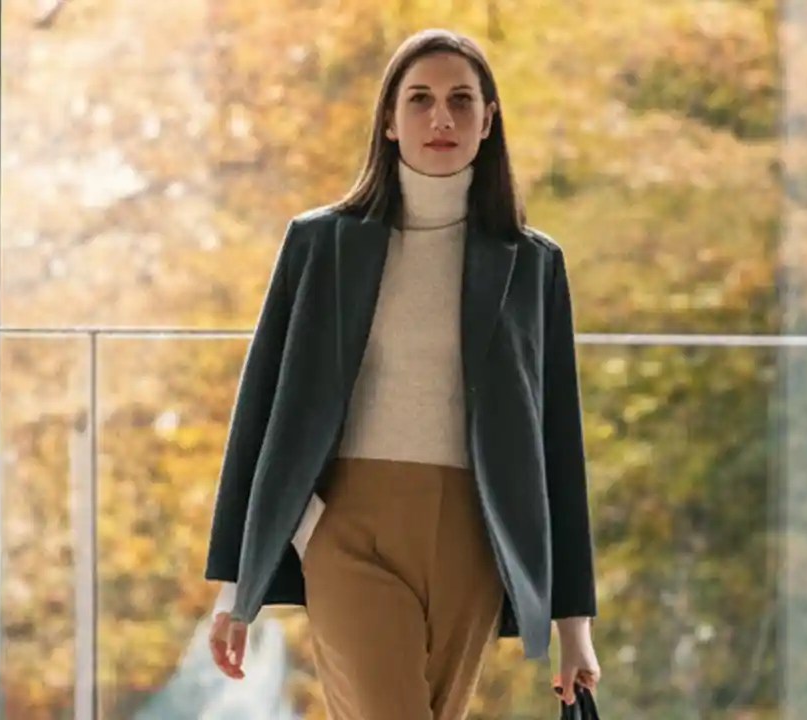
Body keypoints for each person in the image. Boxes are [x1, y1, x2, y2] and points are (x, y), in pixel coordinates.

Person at [202, 27, 602, 719]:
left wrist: (575, 627)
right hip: (348, 530)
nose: (440, 118)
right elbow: (260, 415)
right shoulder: (319, 245)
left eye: (460, 100)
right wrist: (234, 584)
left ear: (488, 119)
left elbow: (557, 448)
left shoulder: (532, 265)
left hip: (473, 537)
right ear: (388, 121)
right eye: (419, 99)